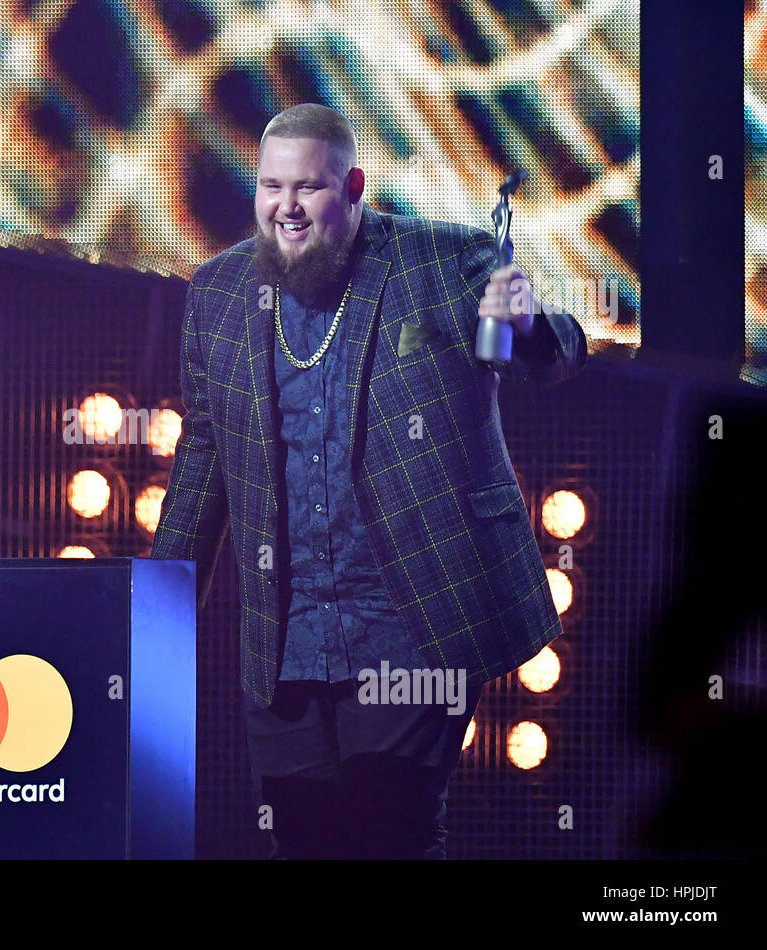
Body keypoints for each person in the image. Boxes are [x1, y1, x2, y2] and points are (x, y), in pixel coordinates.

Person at [151, 104, 588, 859]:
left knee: (390, 830)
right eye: (270, 188)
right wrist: (154, 608)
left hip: (412, 619)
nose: (286, 208)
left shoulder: (442, 262)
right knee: (305, 838)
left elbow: (546, 352)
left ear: (352, 187)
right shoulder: (218, 296)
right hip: (285, 636)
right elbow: (203, 458)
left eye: (309, 189)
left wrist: (527, 326)